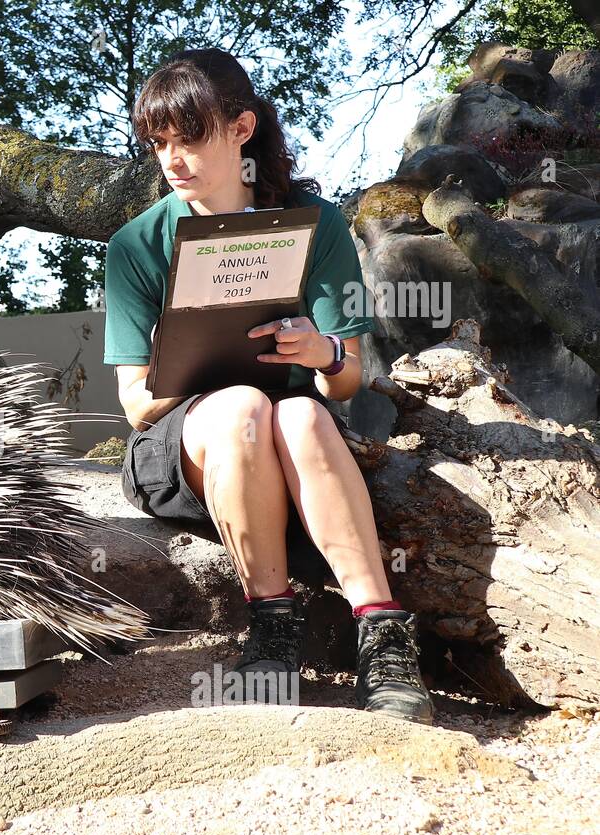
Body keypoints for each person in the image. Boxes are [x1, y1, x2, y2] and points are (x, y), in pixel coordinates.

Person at [103, 47, 435, 723]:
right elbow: (136, 405)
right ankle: (272, 629)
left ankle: (383, 632)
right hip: (182, 448)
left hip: (289, 435)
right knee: (243, 406)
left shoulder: (315, 223)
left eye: (189, 137)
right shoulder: (135, 247)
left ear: (241, 129)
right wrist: (202, 358)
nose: (172, 159)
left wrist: (321, 349)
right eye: (158, 142)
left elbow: (344, 385)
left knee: (304, 416)